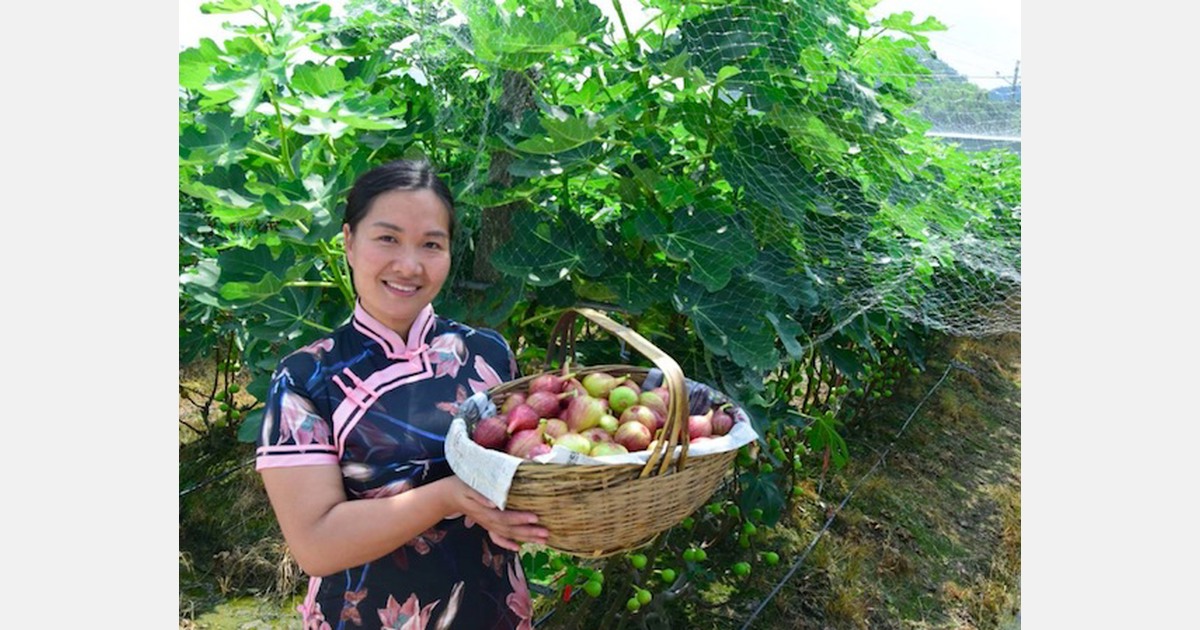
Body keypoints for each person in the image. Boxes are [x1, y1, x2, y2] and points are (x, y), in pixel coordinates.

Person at [255, 158, 549, 629]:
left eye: (431, 244)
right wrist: (446, 497)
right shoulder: (307, 378)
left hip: (490, 612)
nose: (409, 265)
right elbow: (315, 544)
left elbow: (522, 473)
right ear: (349, 242)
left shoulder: (488, 354)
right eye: (387, 238)